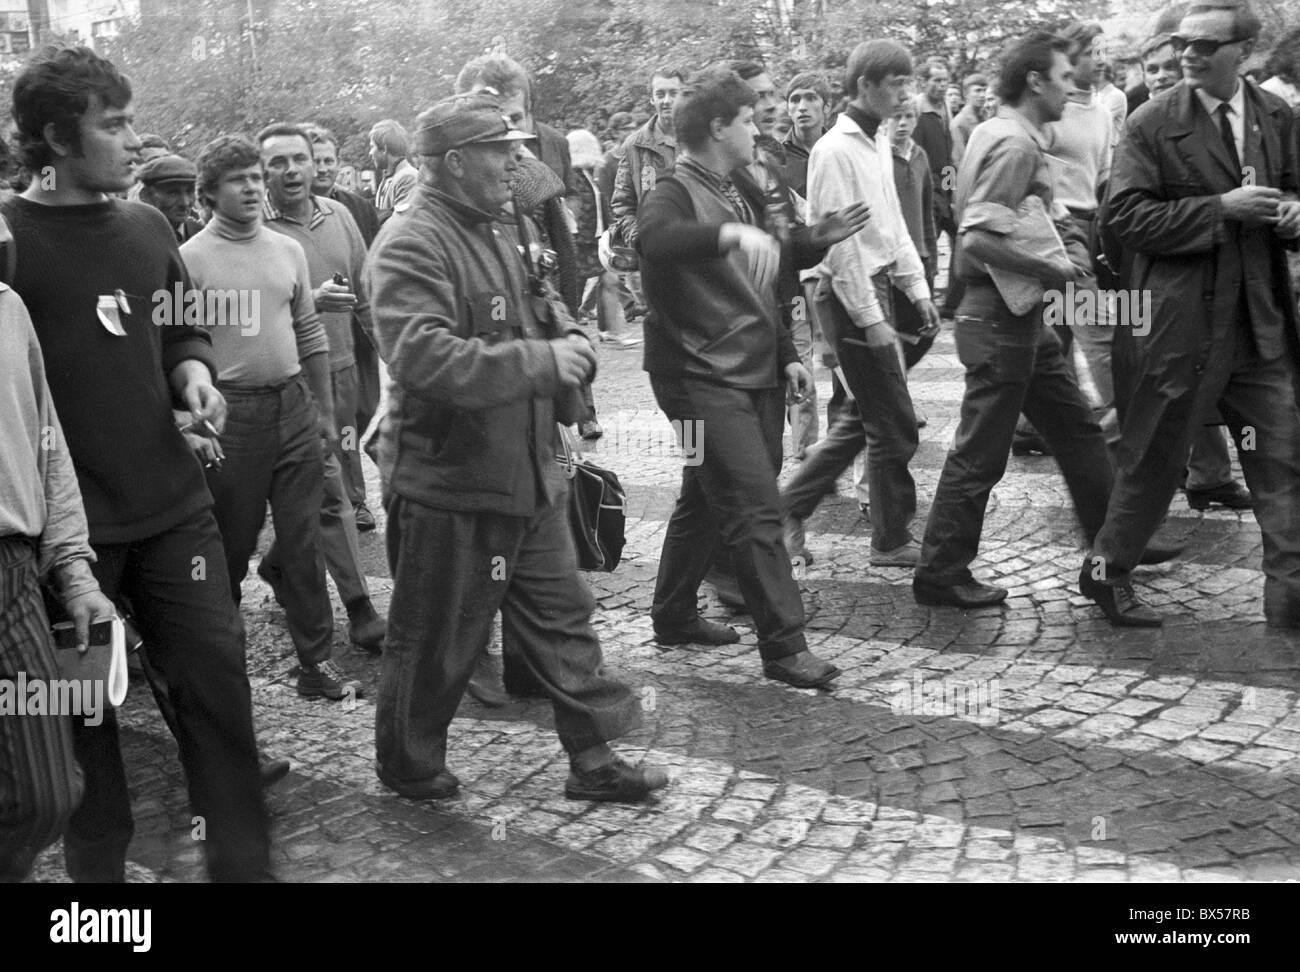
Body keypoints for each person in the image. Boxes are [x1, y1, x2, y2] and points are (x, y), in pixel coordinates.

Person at [3, 44, 271, 882]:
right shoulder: (11, 243)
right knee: (89, 730)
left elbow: (179, 326)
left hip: (174, 511)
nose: (132, 139)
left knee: (219, 698)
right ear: (54, 136)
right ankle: (101, 892)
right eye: (112, 125)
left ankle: (243, 866)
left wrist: (191, 370)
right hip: (71, 543)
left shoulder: (149, 225)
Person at [366, 91, 667, 802]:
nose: (518, 161)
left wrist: (570, 341)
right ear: (457, 161)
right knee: (436, 640)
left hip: (529, 470)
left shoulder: (494, 225)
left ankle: (594, 762)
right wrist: (542, 364)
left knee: (565, 618)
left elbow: (541, 302)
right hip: (451, 482)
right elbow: (423, 357)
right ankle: (407, 763)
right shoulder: (411, 240)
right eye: (503, 151)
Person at [913, 31, 1180, 610]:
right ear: (1034, 81)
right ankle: (940, 571)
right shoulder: (1014, 144)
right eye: (1062, 78)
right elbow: (976, 242)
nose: (1072, 87)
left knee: (1078, 432)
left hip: (1019, 317)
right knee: (979, 453)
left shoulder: (998, 130)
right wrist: (1054, 269)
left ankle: (1117, 545)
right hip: (999, 319)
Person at [639, 66, 867, 688]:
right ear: (718, 128)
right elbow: (653, 241)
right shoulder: (674, 189)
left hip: (747, 369)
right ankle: (785, 647)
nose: (756, 124)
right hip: (691, 379)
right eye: (745, 118)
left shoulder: (741, 181)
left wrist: (813, 246)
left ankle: (674, 613)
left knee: (705, 490)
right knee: (752, 501)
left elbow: (771, 270)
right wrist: (728, 232)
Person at [1082, 1, 1300, 629]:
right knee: (1155, 459)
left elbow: (1290, 188)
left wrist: (1290, 211)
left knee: (1281, 457)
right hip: (1181, 328)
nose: (1188, 55)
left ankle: (1290, 597)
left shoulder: (1276, 115)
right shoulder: (1152, 122)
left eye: (1206, 45)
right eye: (1183, 43)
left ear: (1246, 51)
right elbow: (1121, 219)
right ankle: (1105, 573)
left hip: (1258, 326)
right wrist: (1220, 208)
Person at [180, 133, 362, 702]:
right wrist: (191, 422)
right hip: (233, 416)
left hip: (293, 405)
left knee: (303, 539)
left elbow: (309, 331)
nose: (255, 187)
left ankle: (316, 663)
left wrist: (325, 414)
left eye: (257, 177)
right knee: (229, 548)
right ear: (209, 193)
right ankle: (221, 669)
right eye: (240, 180)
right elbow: (177, 343)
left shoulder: (287, 250)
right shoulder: (189, 260)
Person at [782, 41, 940, 570]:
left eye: (907, 81)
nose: (903, 91)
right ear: (865, 85)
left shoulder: (876, 142)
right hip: (848, 297)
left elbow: (890, 225)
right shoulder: (834, 149)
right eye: (894, 81)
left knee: (866, 416)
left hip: (881, 290)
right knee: (893, 421)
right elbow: (838, 245)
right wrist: (871, 319)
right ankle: (883, 535)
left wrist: (918, 290)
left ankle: (808, 516)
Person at [0, 273, 116, 882]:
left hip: (11, 575)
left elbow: (47, 441)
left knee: (46, 796)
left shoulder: (7, 305)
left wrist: (74, 571)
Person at [257, 122, 387, 652]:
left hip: (344, 371)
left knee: (321, 484)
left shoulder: (340, 217)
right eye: (277, 162)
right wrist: (308, 299)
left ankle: (276, 563)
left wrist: (392, 355)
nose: (291, 171)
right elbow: (247, 318)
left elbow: (365, 295)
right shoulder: (255, 231)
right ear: (262, 172)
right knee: (329, 484)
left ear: (315, 164)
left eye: (300, 159)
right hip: (290, 379)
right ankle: (359, 607)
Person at [612, 66, 685, 247]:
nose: (667, 100)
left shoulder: (702, 138)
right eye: (660, 94)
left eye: (673, 93)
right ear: (652, 99)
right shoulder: (634, 146)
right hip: (656, 250)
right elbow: (623, 205)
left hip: (701, 246)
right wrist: (639, 240)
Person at [137, 154, 203, 242]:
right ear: (146, 196)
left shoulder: (200, 233)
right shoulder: (134, 239)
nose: (185, 203)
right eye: (172, 193)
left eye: (189, 192)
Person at [370, 119, 417, 222]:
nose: (370, 153)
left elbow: (402, 222)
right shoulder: (390, 177)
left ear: (384, 149)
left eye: (372, 147)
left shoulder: (408, 177)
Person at [950, 73, 989, 164]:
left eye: (985, 90)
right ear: (966, 94)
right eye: (978, 91)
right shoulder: (959, 122)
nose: (982, 95)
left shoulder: (987, 116)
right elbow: (960, 158)